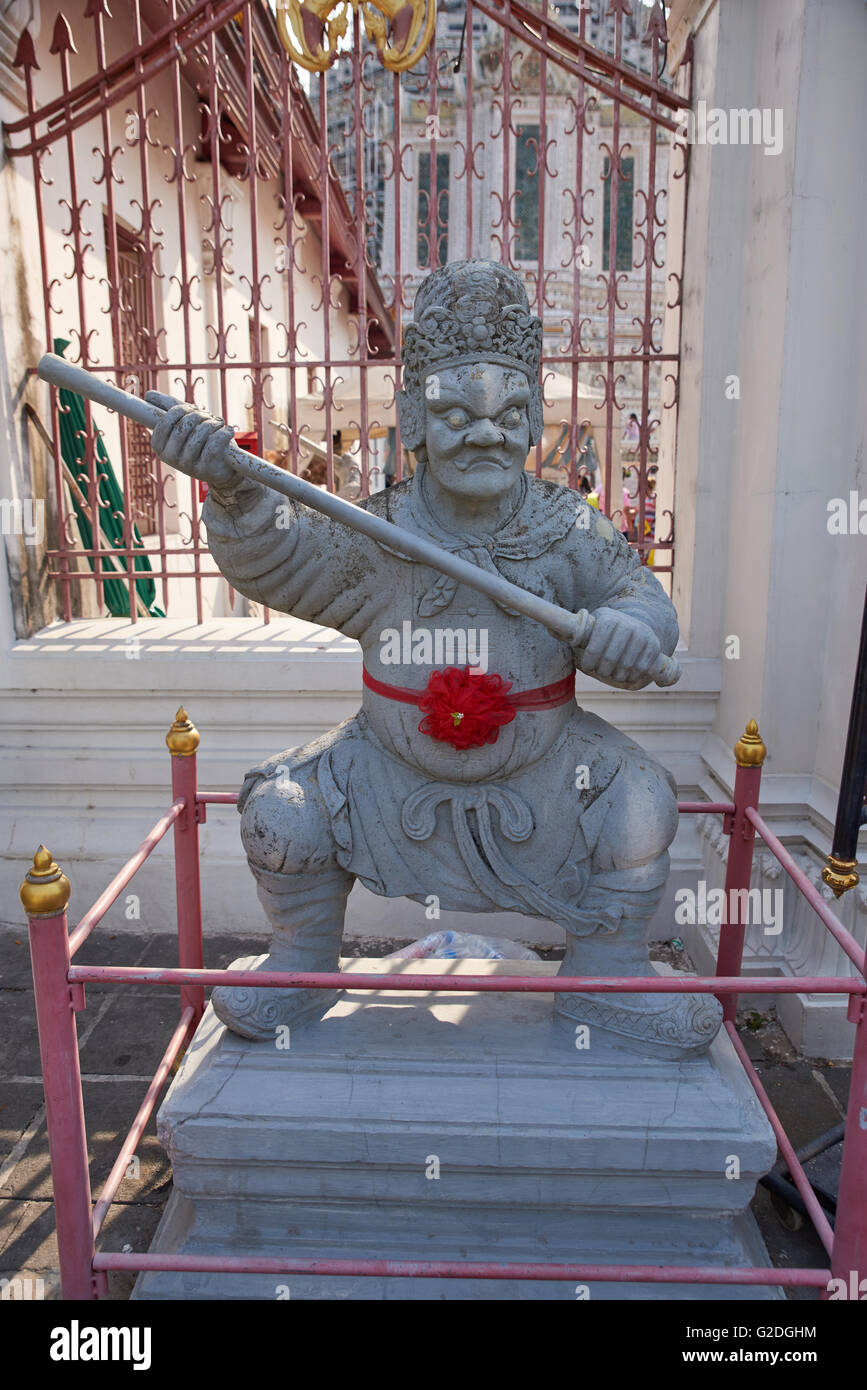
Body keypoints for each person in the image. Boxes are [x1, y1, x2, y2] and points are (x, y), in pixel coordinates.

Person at [146, 259, 720, 1058]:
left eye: (505, 413)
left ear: (530, 425)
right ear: (411, 419)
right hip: (386, 768)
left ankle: (608, 975)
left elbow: (643, 603)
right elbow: (279, 565)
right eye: (455, 413)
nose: (482, 432)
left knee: (641, 803)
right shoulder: (379, 531)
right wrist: (238, 496)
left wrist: (630, 629)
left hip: (549, 768)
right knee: (281, 808)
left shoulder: (568, 526)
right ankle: (302, 965)